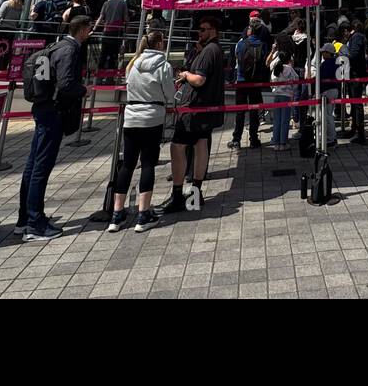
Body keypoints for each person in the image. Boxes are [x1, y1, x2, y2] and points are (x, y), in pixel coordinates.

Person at [16, 15, 92, 241]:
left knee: (33, 165)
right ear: (82, 30)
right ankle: (34, 223)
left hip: (43, 109)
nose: (90, 33)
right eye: (89, 29)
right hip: (54, 112)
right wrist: (83, 90)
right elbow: (66, 83)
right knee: (41, 166)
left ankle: (25, 218)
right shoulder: (70, 50)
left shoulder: (56, 46)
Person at [108, 28, 175, 233]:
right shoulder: (163, 66)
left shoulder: (133, 64)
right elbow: (169, 93)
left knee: (127, 164)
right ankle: (143, 213)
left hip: (131, 115)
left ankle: (117, 213)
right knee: (148, 164)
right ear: (160, 44)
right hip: (152, 116)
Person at [160, 16, 226, 215]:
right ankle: (196, 191)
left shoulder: (209, 51)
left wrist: (186, 75)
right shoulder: (213, 50)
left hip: (194, 108)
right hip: (204, 109)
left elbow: (199, 79)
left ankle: (178, 193)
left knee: (177, 147)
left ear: (213, 31)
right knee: (201, 145)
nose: (200, 33)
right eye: (199, 30)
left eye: (204, 29)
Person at [229, 21, 267, 150]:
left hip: (242, 79)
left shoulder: (241, 44)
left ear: (250, 30)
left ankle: (236, 139)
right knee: (254, 111)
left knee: (240, 111)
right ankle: (254, 139)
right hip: (255, 81)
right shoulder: (263, 45)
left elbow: (237, 59)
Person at [264, 33, 299, 151]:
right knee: (285, 120)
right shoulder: (289, 65)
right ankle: (283, 142)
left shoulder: (276, 65)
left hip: (276, 94)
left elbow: (268, 65)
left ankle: (276, 142)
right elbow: (295, 79)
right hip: (287, 95)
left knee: (277, 119)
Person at [345, 21, 368, 144]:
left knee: (357, 103)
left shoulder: (357, 37)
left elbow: (354, 54)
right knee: (354, 103)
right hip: (353, 73)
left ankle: (360, 132)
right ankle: (355, 128)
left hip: (356, 74)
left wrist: (343, 54)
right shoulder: (354, 37)